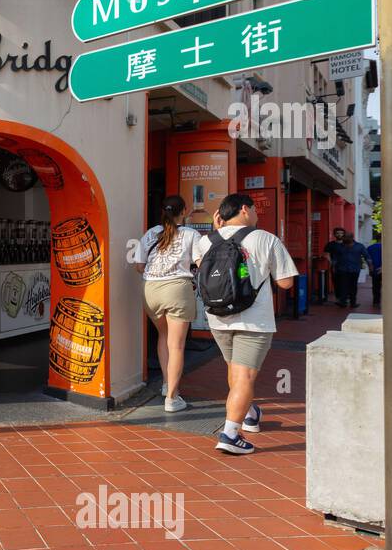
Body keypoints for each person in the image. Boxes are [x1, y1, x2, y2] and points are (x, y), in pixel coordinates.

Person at [193, 193, 299, 456]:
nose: (256, 214)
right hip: (254, 320)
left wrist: (219, 233)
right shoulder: (266, 239)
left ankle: (250, 414)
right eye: (254, 209)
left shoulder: (205, 241)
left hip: (218, 317)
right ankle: (229, 434)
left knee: (235, 369)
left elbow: (204, 272)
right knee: (245, 376)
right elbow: (286, 283)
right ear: (244, 209)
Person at [134, 195, 201, 413]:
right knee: (177, 345)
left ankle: (166, 385)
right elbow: (200, 263)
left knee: (163, 337)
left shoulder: (150, 233)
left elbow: (139, 266)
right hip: (177, 290)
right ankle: (172, 398)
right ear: (184, 211)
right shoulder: (191, 234)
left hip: (150, 290)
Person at [332, 232, 370, 309]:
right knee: (343, 285)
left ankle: (353, 302)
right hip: (342, 269)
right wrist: (333, 266)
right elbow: (335, 258)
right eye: (344, 237)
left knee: (353, 286)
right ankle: (343, 302)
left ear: (351, 238)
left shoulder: (359, 246)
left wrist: (370, 266)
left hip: (355, 270)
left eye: (346, 237)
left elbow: (367, 256)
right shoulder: (339, 247)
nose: (344, 238)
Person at [321, 227, 345, 304]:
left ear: (344, 234)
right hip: (335, 266)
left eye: (341, 233)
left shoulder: (347, 244)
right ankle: (338, 298)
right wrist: (331, 262)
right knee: (336, 282)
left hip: (346, 265)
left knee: (345, 282)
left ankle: (345, 297)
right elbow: (326, 254)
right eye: (338, 233)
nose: (339, 235)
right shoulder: (330, 244)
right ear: (334, 234)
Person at [367, 231, 382, 307]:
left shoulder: (370, 247)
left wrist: (370, 269)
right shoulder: (389, 247)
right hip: (387, 270)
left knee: (376, 286)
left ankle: (376, 302)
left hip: (374, 269)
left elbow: (368, 259)